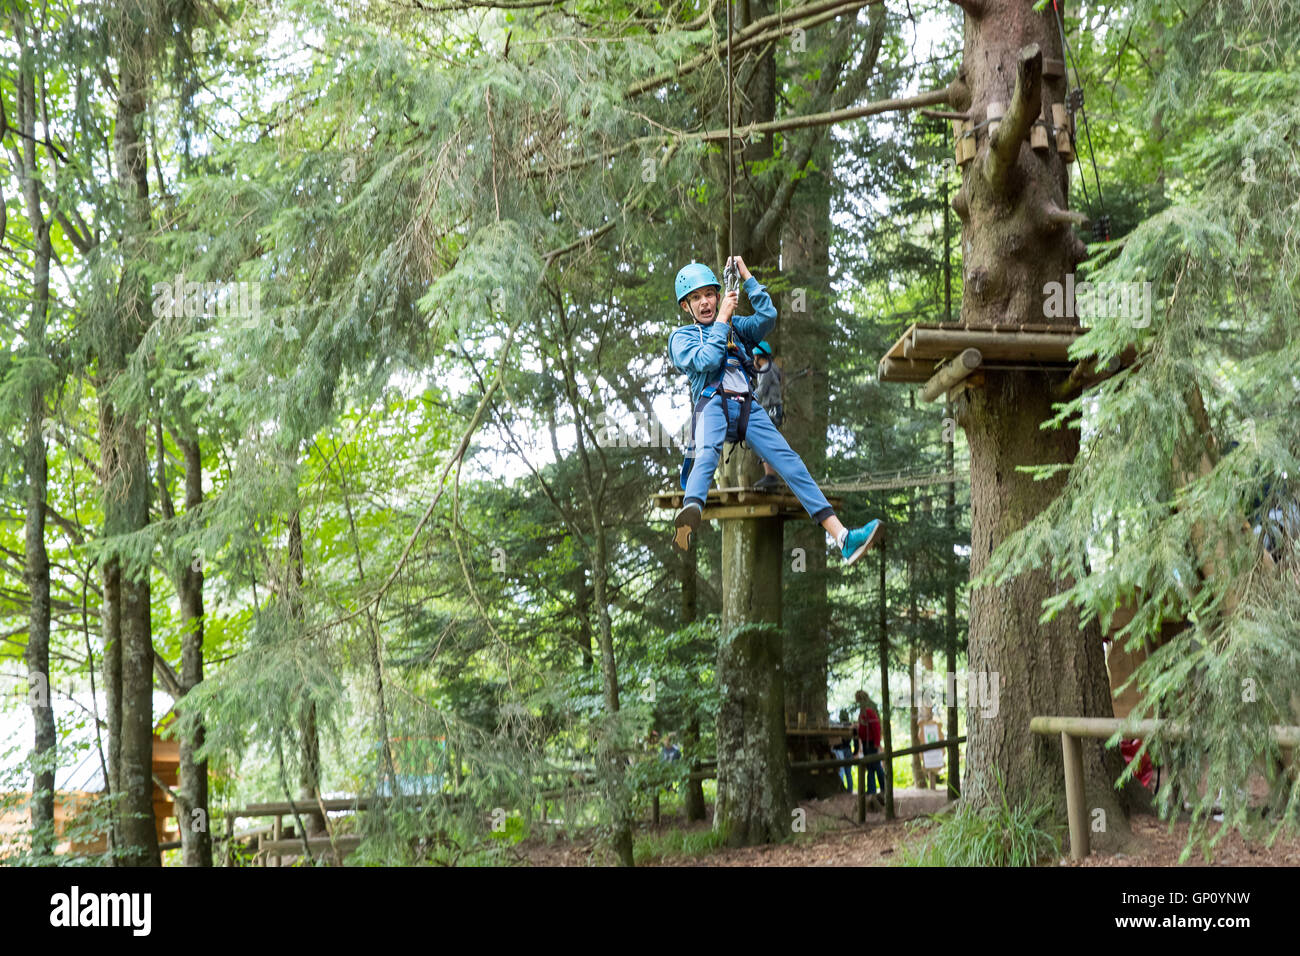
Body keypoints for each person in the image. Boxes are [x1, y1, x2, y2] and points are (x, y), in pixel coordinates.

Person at [668, 257, 882, 565]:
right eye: (696, 298)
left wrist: (747, 276)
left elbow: (767, 317)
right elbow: (706, 361)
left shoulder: (736, 327)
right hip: (712, 402)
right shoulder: (681, 338)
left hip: (746, 406)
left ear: (717, 295)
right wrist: (721, 321)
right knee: (706, 454)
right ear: (686, 307)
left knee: (790, 462)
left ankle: (842, 538)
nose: (705, 302)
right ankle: (691, 513)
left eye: (709, 294)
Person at [751, 340, 784, 492]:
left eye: (754, 358)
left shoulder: (766, 369)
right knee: (766, 441)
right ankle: (769, 475)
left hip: (770, 409)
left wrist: (748, 399)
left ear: (758, 357)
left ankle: (770, 476)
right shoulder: (773, 368)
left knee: (765, 441)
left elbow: (761, 390)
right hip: (773, 409)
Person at [856, 690, 887, 797]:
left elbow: (876, 728)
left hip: (871, 742)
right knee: (870, 767)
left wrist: (877, 743)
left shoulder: (869, 710)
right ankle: (871, 790)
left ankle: (884, 788)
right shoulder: (863, 710)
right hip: (866, 742)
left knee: (876, 766)